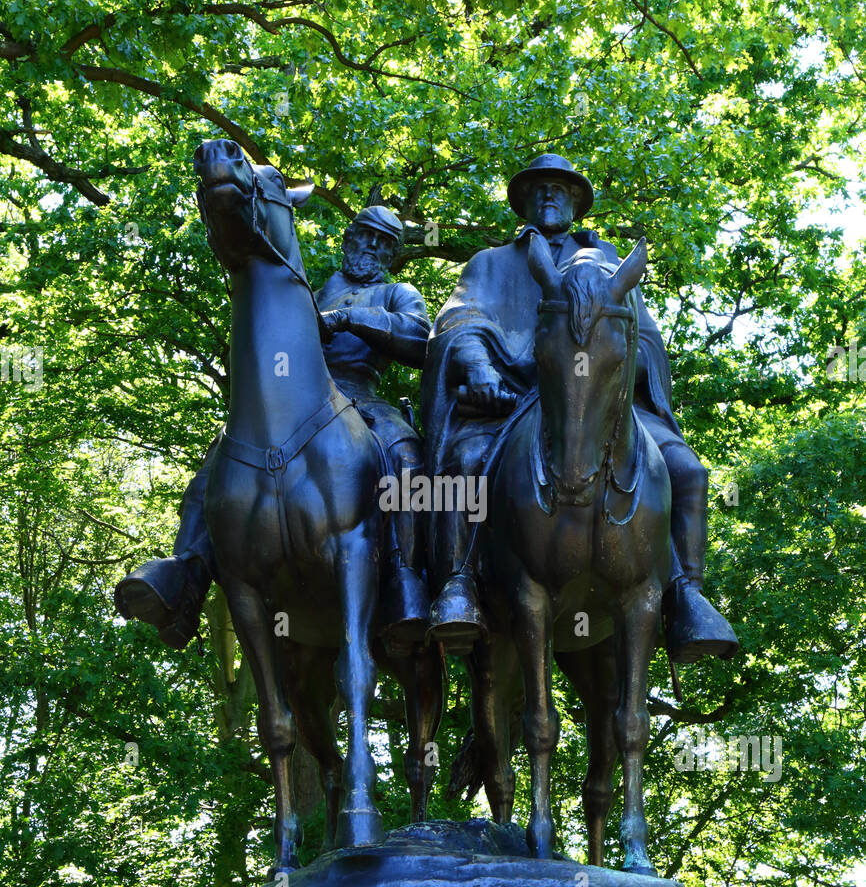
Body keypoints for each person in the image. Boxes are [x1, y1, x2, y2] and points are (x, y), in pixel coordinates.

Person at [421, 152, 738, 664]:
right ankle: (460, 585)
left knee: (688, 471)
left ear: (576, 203)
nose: (550, 195)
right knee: (465, 465)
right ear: (523, 200)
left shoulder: (611, 266)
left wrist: (615, 365)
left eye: (561, 188)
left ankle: (686, 594)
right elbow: (459, 321)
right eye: (540, 187)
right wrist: (479, 367)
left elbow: (648, 342)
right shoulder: (490, 263)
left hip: (600, 405)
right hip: (509, 402)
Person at [115, 205, 432, 648]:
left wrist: (348, 319)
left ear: (393, 253)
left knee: (407, 456)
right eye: (365, 236)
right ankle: (185, 580)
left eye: (384, 242)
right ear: (348, 238)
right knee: (214, 468)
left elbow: (422, 337)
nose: (372, 247)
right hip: (295, 403)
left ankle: (403, 577)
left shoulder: (397, 292)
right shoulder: (309, 290)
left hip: (362, 398)